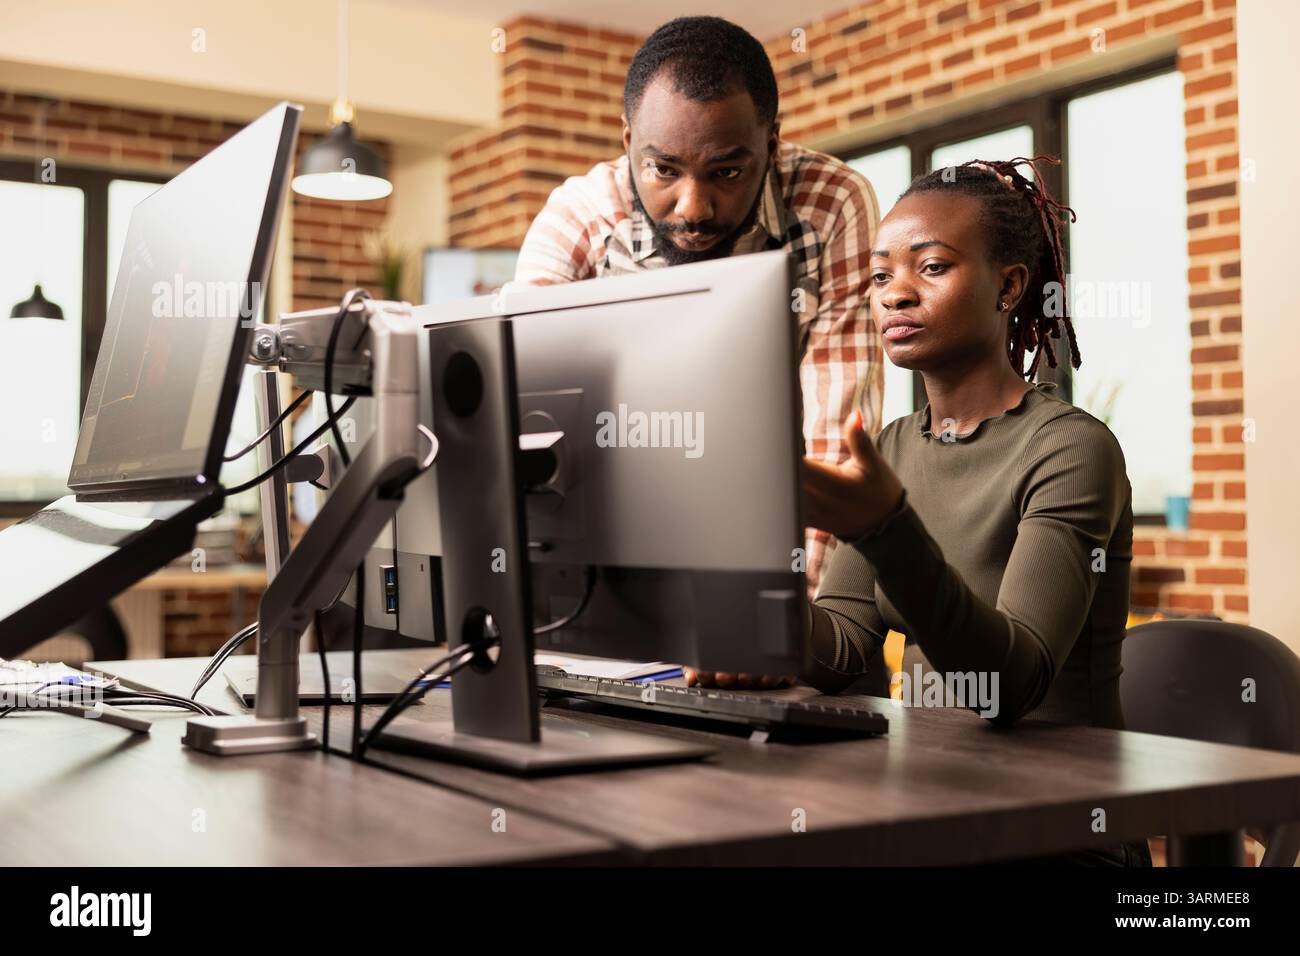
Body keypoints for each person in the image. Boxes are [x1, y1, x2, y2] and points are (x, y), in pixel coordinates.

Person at [802, 155, 1149, 865]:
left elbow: (1010, 687)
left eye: (931, 267)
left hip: (1060, 832)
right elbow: (839, 650)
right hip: (931, 804)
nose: (895, 293)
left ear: (1009, 286)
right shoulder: (892, 447)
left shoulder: (1070, 449)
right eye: (880, 276)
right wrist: (736, 585)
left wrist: (887, 529)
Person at [505, 15, 883, 597]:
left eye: (726, 172)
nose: (694, 208)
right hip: (611, 550)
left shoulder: (830, 204)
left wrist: (788, 614)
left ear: (770, 146)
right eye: (663, 170)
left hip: (773, 537)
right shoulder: (580, 217)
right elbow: (515, 412)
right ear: (628, 143)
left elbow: (835, 443)